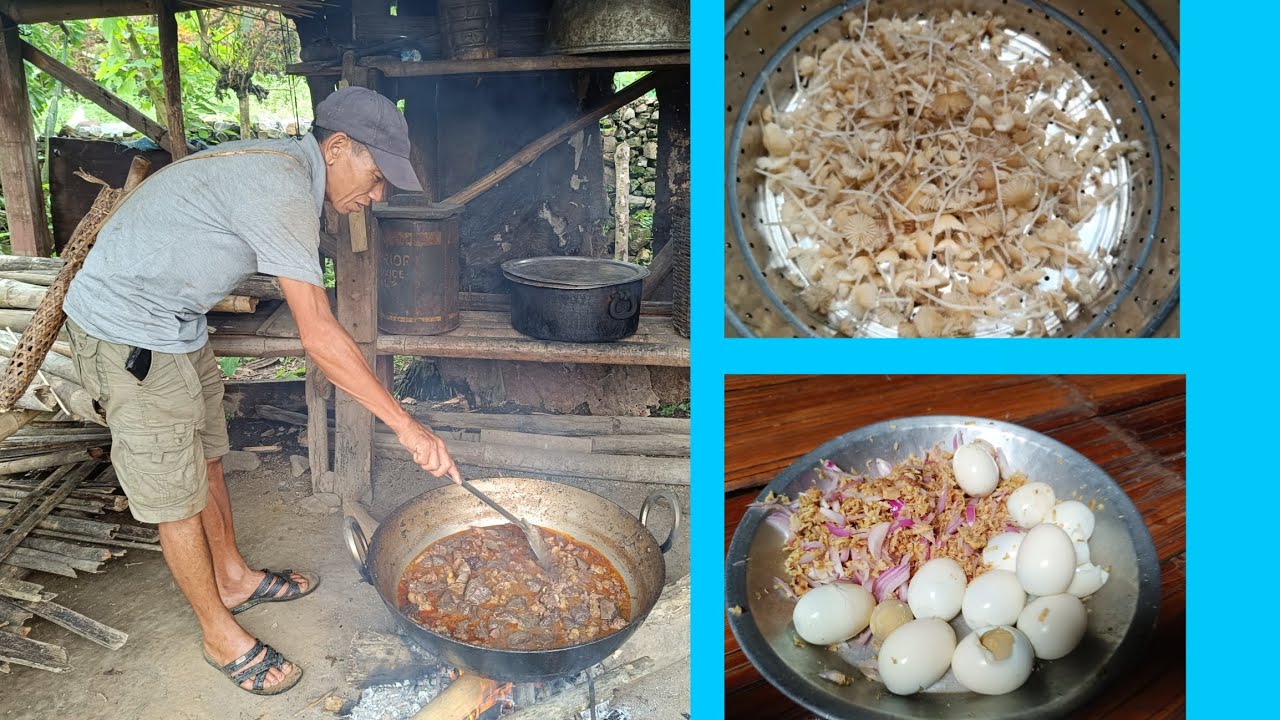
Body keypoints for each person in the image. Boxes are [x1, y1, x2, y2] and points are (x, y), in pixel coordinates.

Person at [62, 87, 461, 695]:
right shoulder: (282, 190)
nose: (376, 196)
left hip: (177, 325)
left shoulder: (289, 172)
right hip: (127, 333)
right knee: (175, 494)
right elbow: (321, 337)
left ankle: (233, 578)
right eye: (376, 176)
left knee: (208, 459)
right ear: (337, 148)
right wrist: (407, 426)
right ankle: (218, 632)